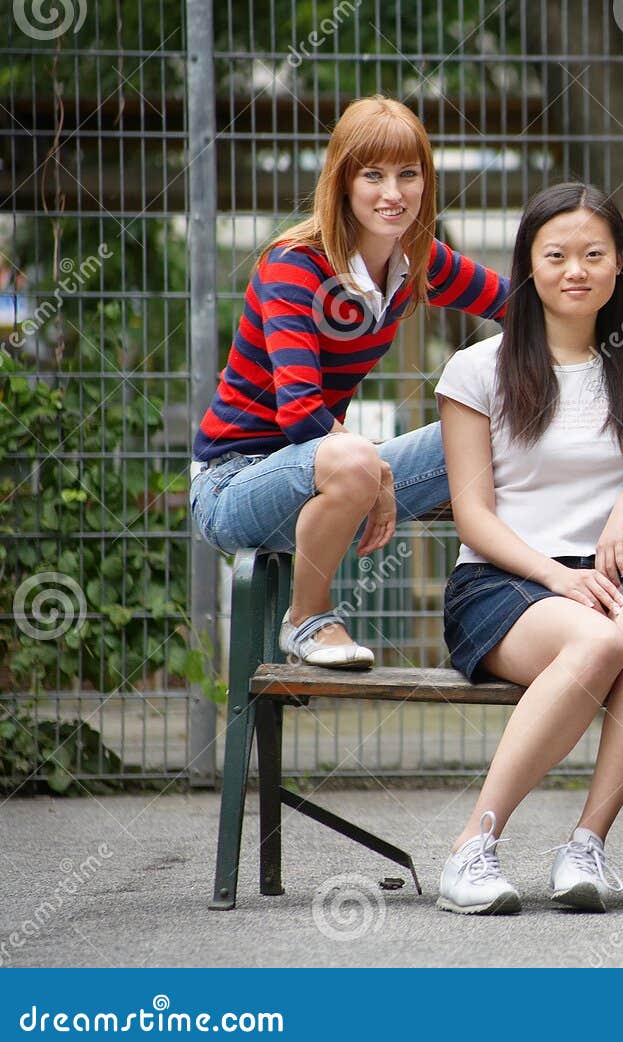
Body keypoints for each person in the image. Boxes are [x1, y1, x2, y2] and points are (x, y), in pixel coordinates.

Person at [434, 182, 623, 915]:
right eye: (557, 255)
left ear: (618, 266)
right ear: (529, 267)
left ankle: (585, 848)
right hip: (502, 581)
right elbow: (473, 518)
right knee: (602, 642)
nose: (576, 270)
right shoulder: (479, 368)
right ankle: (471, 849)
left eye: (593, 255)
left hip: (607, 580)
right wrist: (553, 577)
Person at [190, 95, 507, 669]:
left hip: (333, 483)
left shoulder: (419, 260)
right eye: (374, 175)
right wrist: (376, 470)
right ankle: (307, 620)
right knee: (357, 458)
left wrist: (620, 349)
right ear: (343, 183)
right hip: (233, 487)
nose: (394, 193)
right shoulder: (295, 264)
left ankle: (527, 595)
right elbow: (300, 412)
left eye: (408, 174)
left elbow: (516, 305)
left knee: (490, 432)